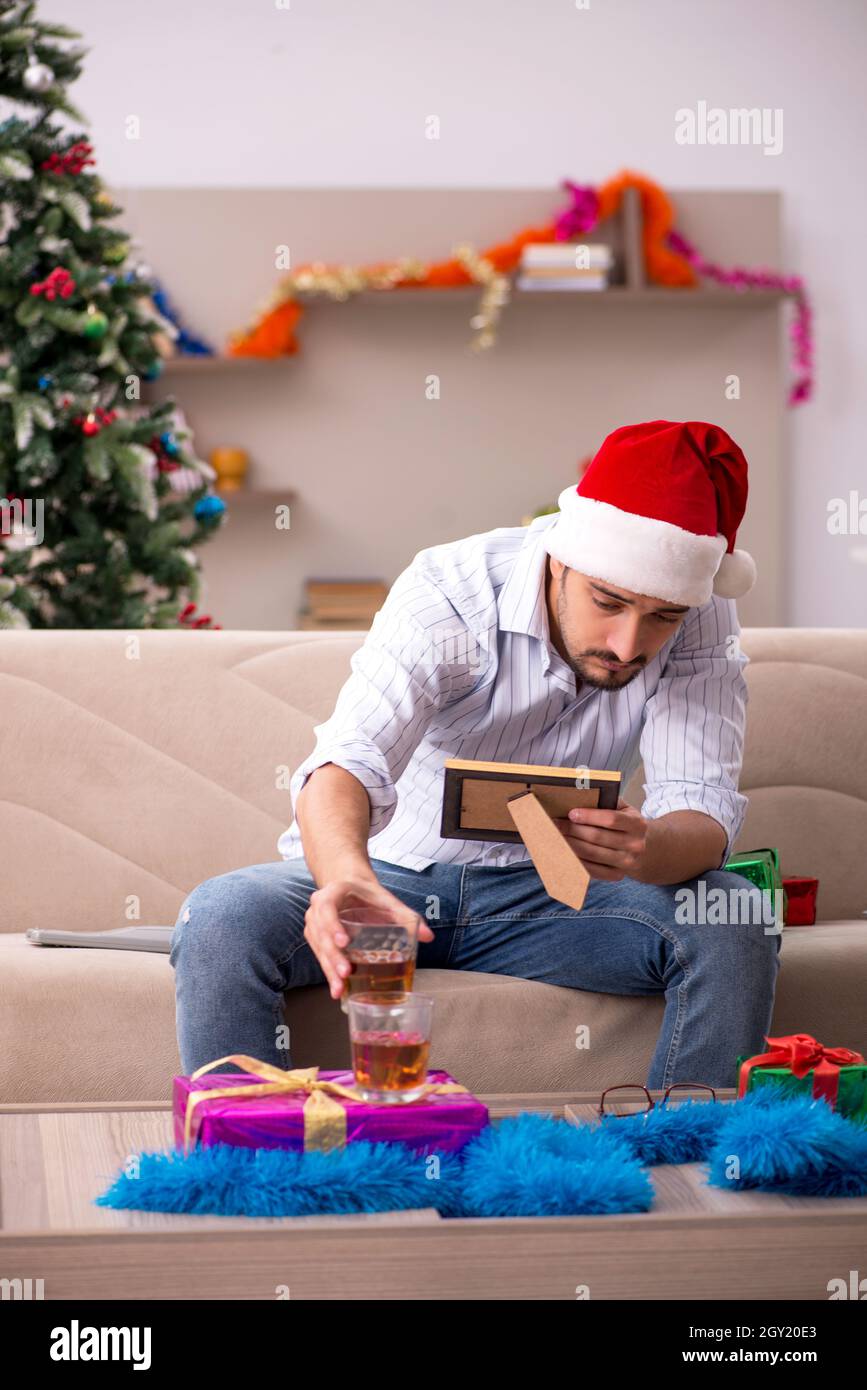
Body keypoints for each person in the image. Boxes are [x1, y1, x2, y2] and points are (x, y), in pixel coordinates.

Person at [170, 419, 780, 1087]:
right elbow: (347, 761)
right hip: (393, 878)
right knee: (221, 916)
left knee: (733, 915)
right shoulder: (451, 592)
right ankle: (248, 1140)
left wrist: (649, 849)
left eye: (661, 617)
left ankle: (686, 1144)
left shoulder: (700, 614)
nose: (628, 644)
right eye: (608, 602)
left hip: (560, 899)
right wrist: (349, 878)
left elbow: (700, 809)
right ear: (559, 558)